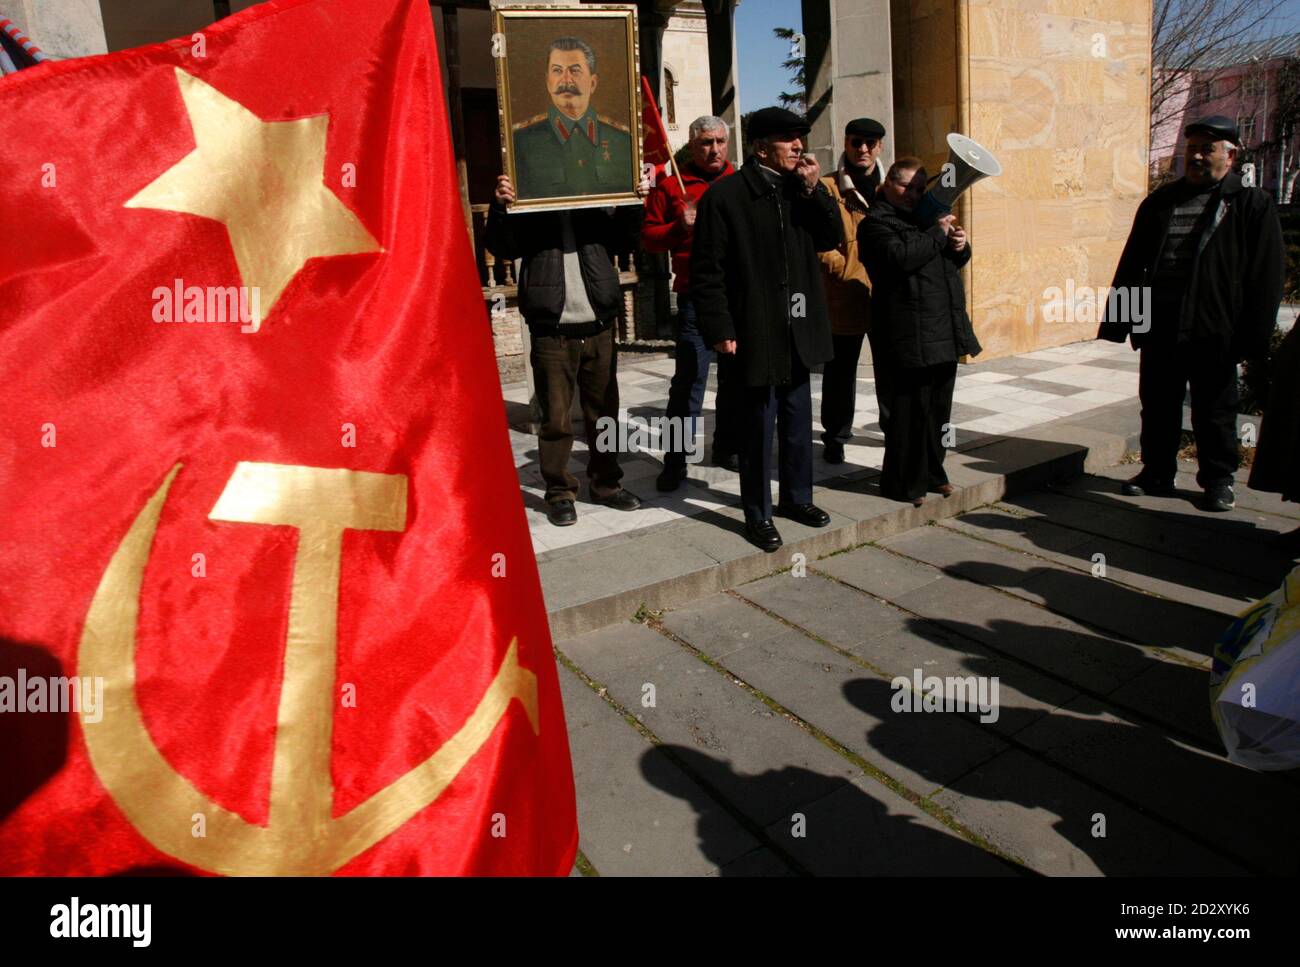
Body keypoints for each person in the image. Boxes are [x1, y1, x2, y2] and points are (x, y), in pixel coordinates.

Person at [1099, 115, 1285, 511]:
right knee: (1158, 402)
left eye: (1207, 149)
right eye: (1193, 148)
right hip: (1161, 324)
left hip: (1214, 327)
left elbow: (1266, 277)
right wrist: (1121, 323)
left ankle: (1218, 480)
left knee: (1214, 408)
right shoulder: (1160, 202)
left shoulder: (1251, 204)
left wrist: (1253, 338)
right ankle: (1157, 472)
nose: (1197, 156)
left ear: (1230, 156)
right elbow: (1133, 264)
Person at [691, 107, 843, 552]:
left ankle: (797, 499)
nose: (799, 145)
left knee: (797, 424)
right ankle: (757, 513)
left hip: (797, 329)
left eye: (800, 137)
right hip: (753, 331)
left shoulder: (803, 190)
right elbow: (707, 270)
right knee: (757, 429)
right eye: (788, 139)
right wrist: (719, 326)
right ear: (761, 147)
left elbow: (831, 235)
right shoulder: (727, 197)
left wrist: (816, 191)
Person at [485, 174, 648, 526]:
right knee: (556, 419)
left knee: (603, 413)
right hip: (551, 330)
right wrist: (500, 207)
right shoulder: (529, 205)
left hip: (600, 325)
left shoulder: (593, 199)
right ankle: (560, 493)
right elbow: (502, 247)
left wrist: (635, 200)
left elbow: (627, 239)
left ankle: (606, 484)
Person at [859, 157, 980, 506]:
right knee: (908, 413)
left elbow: (945, 263)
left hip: (941, 327)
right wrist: (937, 233)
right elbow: (901, 258)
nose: (912, 193)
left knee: (938, 411)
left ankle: (933, 473)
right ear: (888, 186)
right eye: (904, 186)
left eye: (918, 188)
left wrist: (959, 245)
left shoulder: (925, 222)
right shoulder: (875, 223)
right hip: (906, 332)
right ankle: (903, 483)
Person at [642, 115, 739, 491]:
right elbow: (649, 239)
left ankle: (727, 446)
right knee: (688, 382)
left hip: (736, 299)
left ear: (727, 144)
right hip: (694, 298)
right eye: (704, 143)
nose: (713, 149)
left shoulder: (742, 184)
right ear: (692, 145)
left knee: (734, 380)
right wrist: (679, 227)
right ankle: (676, 459)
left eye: (719, 142)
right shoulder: (670, 187)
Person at [817, 117, 884, 464]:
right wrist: (843, 270)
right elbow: (817, 240)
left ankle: (894, 429)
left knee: (891, 368)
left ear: (880, 147)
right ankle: (835, 436)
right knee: (841, 371)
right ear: (845, 143)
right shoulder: (828, 187)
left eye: (870, 143)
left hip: (887, 296)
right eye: (857, 141)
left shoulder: (893, 185)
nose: (863, 149)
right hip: (845, 295)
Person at [512, 36, 633, 201]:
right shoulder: (521, 142)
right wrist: (500, 202)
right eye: (557, 70)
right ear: (548, 82)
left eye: (575, 70)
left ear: (593, 83)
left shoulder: (623, 141)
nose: (566, 80)